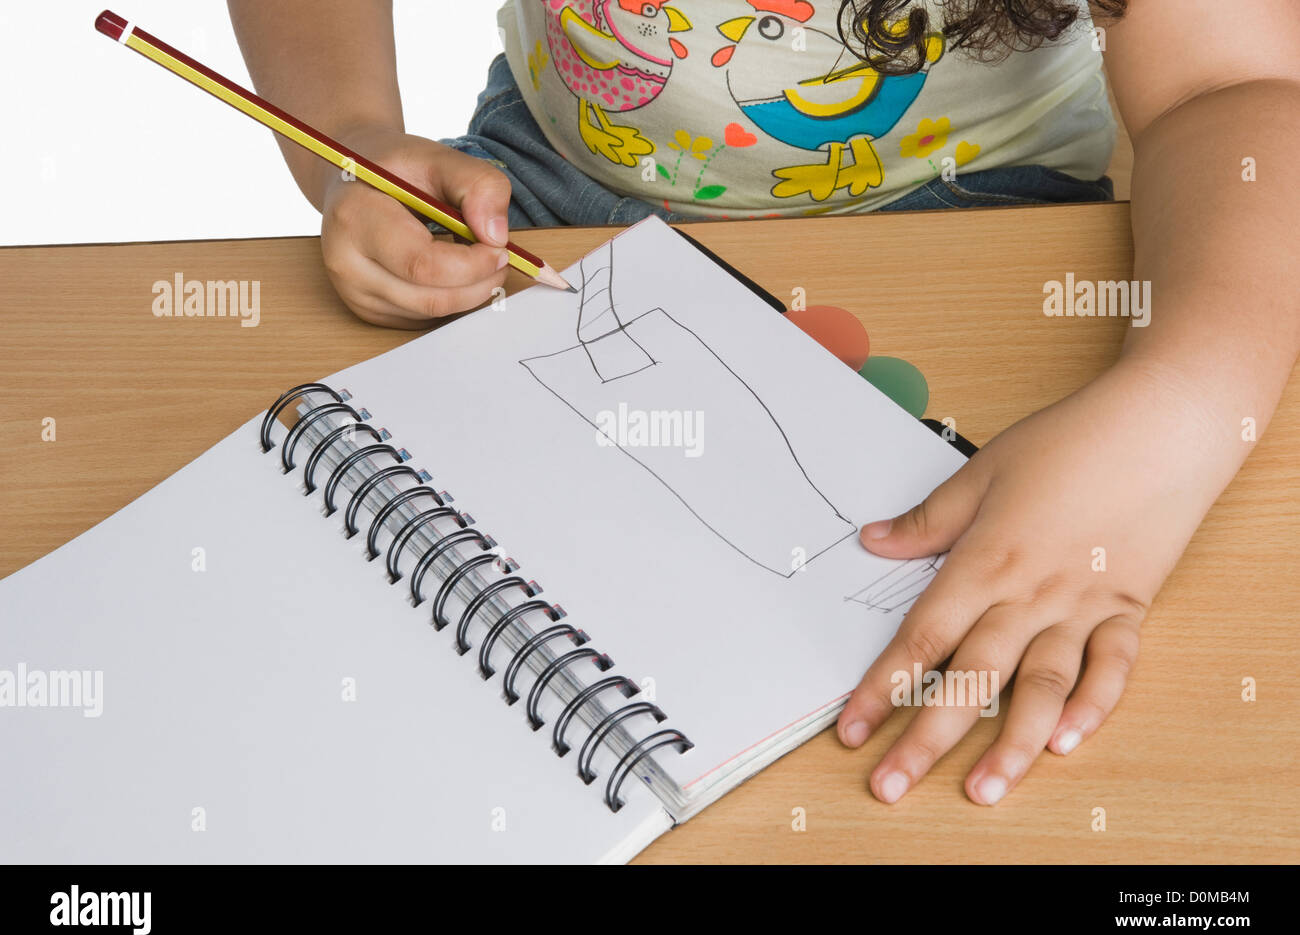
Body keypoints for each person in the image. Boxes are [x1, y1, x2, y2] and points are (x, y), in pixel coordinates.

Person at [228, 0, 1300, 806]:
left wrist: (1186, 403)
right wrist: (347, 139)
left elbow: (1231, 88)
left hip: (972, 210)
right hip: (538, 189)